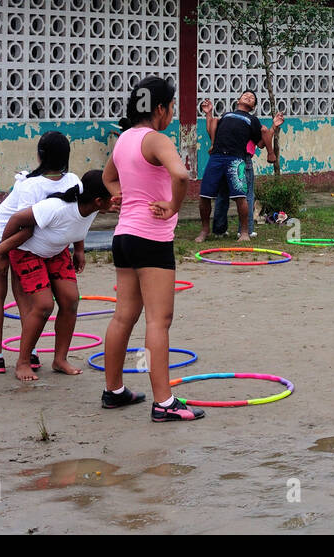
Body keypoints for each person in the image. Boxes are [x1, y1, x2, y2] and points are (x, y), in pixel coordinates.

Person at [102, 76, 200, 422]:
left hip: (123, 238)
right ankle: (165, 402)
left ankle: (113, 391)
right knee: (160, 320)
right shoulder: (156, 140)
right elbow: (182, 175)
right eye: (171, 107)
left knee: (123, 316)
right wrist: (174, 206)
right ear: (160, 108)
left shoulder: (124, 138)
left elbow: (108, 177)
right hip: (151, 239)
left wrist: (122, 195)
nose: (172, 114)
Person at [0, 171, 113, 381]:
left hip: (55, 250)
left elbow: (79, 225)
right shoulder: (56, 209)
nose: (119, 198)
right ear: (99, 200)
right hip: (27, 251)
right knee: (44, 305)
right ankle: (23, 362)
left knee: (71, 299)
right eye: (115, 195)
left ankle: (60, 359)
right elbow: (17, 220)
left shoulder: (93, 207)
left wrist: (79, 250)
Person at [0, 132, 80, 374]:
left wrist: (78, 248)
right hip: (2, 236)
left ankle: (29, 353)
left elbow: (74, 219)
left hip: (25, 242)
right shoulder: (34, 185)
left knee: (24, 299)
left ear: (40, 155)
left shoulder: (68, 181)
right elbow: (21, 226)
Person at [196, 91, 281, 242]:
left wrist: (271, 150)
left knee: (241, 197)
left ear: (253, 106)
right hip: (216, 157)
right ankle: (205, 230)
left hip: (237, 160)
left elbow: (261, 140)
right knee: (205, 196)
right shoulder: (227, 115)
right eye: (245, 95)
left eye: (252, 98)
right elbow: (212, 129)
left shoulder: (252, 120)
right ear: (238, 100)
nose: (249, 97)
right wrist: (208, 114)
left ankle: (244, 232)